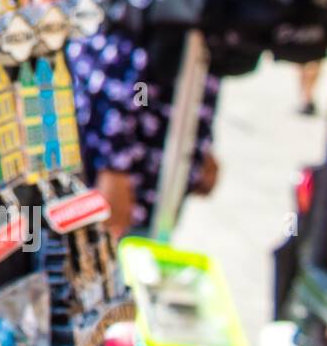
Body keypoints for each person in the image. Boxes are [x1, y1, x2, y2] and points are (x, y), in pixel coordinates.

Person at [70, 30, 220, 238]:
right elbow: (127, 80)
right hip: (128, 179)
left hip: (163, 169)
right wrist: (114, 167)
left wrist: (202, 144)